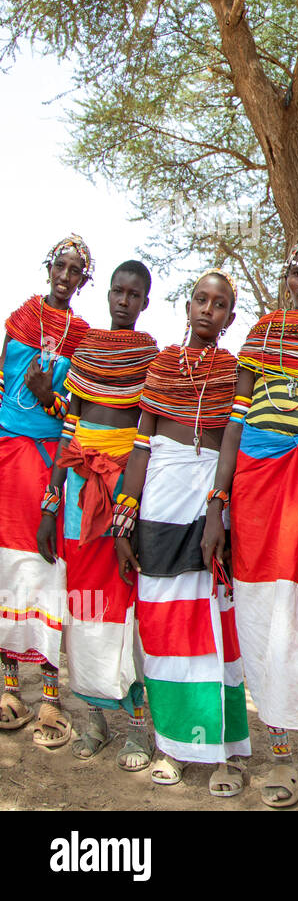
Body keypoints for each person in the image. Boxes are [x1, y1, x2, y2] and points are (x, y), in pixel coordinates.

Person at [202, 235, 298, 808]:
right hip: (257, 482)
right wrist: (219, 501)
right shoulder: (262, 333)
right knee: (262, 608)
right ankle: (282, 757)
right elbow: (237, 419)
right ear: (287, 279)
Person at [113, 270, 250, 796]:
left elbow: (232, 440)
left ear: (229, 318)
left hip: (207, 504)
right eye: (200, 300)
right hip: (157, 504)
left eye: (219, 305)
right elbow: (141, 448)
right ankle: (172, 744)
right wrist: (124, 521)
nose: (207, 310)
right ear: (187, 305)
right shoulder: (161, 367)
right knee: (163, 626)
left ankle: (224, 753)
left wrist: (218, 509)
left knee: (214, 627)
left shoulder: (237, 372)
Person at [38, 260, 157, 769]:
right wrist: (51, 499)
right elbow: (70, 428)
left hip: (121, 492)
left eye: (134, 294)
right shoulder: (85, 354)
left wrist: (130, 506)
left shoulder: (152, 357)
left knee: (122, 612)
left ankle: (137, 728)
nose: (124, 301)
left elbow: (146, 432)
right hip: (77, 492)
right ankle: (94, 719)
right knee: (81, 609)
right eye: (117, 291)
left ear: (146, 302)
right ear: (107, 294)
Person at [0, 235, 92, 749]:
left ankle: (52, 697)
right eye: (61, 265)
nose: (66, 275)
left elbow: (75, 412)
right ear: (49, 268)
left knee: (48, 568)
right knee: (6, 566)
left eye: (76, 270)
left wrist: (48, 398)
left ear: (83, 280)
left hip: (51, 465)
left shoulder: (82, 336)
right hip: (5, 457)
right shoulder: (16, 319)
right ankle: (11, 687)